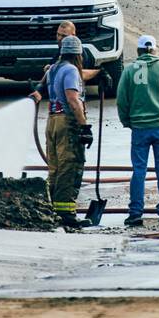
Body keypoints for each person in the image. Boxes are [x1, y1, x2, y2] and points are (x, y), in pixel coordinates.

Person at [116, 34, 159, 228]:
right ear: (154, 50)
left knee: (139, 171)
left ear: (138, 51)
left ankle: (136, 213)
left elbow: (122, 99)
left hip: (139, 129)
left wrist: (127, 121)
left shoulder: (129, 71)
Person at [31, 35, 95, 229]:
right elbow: (73, 99)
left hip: (52, 121)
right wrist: (84, 127)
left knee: (55, 168)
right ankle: (67, 213)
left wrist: (99, 74)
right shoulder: (71, 70)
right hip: (67, 123)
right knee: (70, 166)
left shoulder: (54, 69)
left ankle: (53, 210)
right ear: (78, 54)